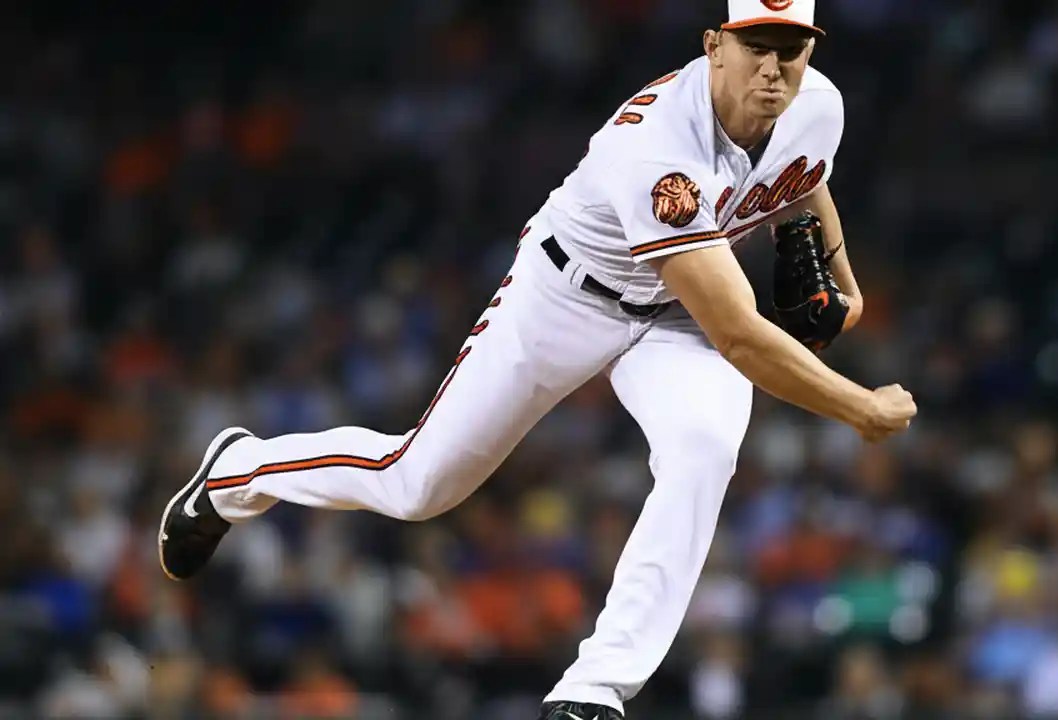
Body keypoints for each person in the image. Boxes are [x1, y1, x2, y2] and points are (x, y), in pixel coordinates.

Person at [157, 1, 917, 717]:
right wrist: (860, 407)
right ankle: (237, 473)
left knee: (704, 450)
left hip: (675, 316)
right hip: (569, 297)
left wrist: (843, 285)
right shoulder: (659, 149)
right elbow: (741, 337)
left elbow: (801, 183)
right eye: (757, 46)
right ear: (714, 44)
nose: (774, 69)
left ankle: (595, 690)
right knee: (419, 483)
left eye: (792, 50)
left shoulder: (817, 104)